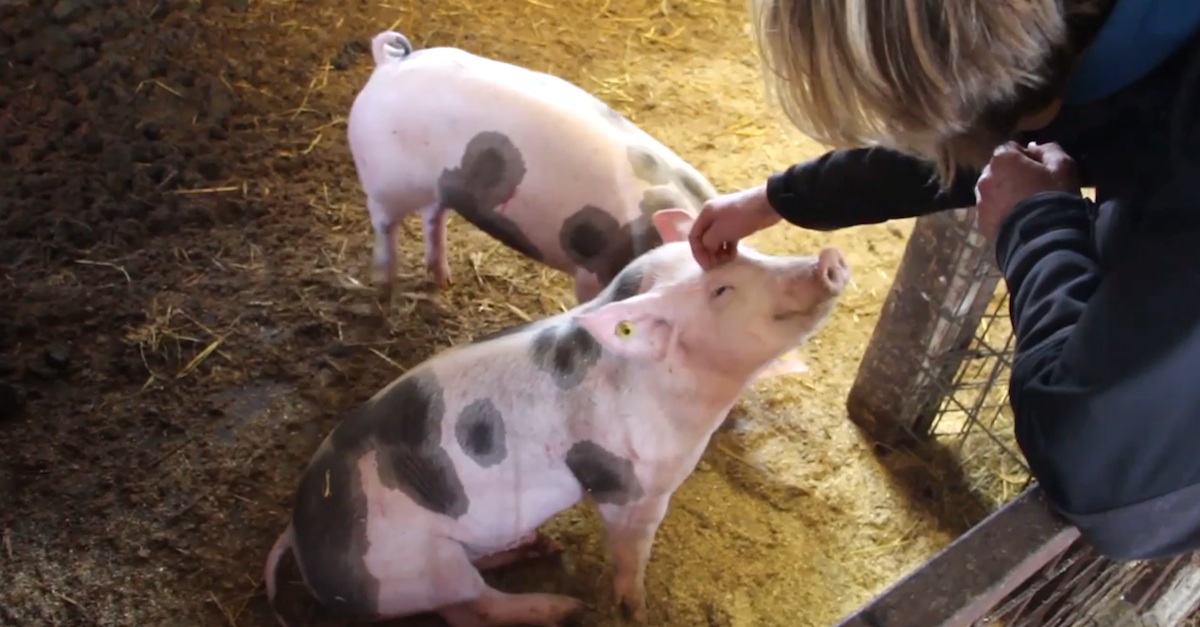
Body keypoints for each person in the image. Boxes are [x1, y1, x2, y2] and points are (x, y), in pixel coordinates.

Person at [689, 0, 1200, 561]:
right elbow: (988, 123)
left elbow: (1105, 473)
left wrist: (1035, 223)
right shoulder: (1106, 39)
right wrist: (783, 197)